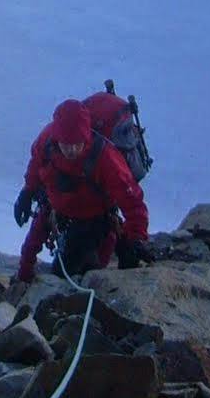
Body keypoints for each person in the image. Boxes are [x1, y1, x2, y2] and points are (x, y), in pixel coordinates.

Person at [14, 97, 149, 283]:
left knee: (75, 272)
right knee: (31, 245)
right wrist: (27, 192)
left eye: (77, 144)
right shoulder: (46, 141)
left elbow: (131, 199)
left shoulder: (105, 157)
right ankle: (23, 279)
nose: (72, 150)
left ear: (86, 136)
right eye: (66, 145)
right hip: (56, 207)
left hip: (93, 220)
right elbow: (36, 164)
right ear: (57, 139)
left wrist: (136, 238)